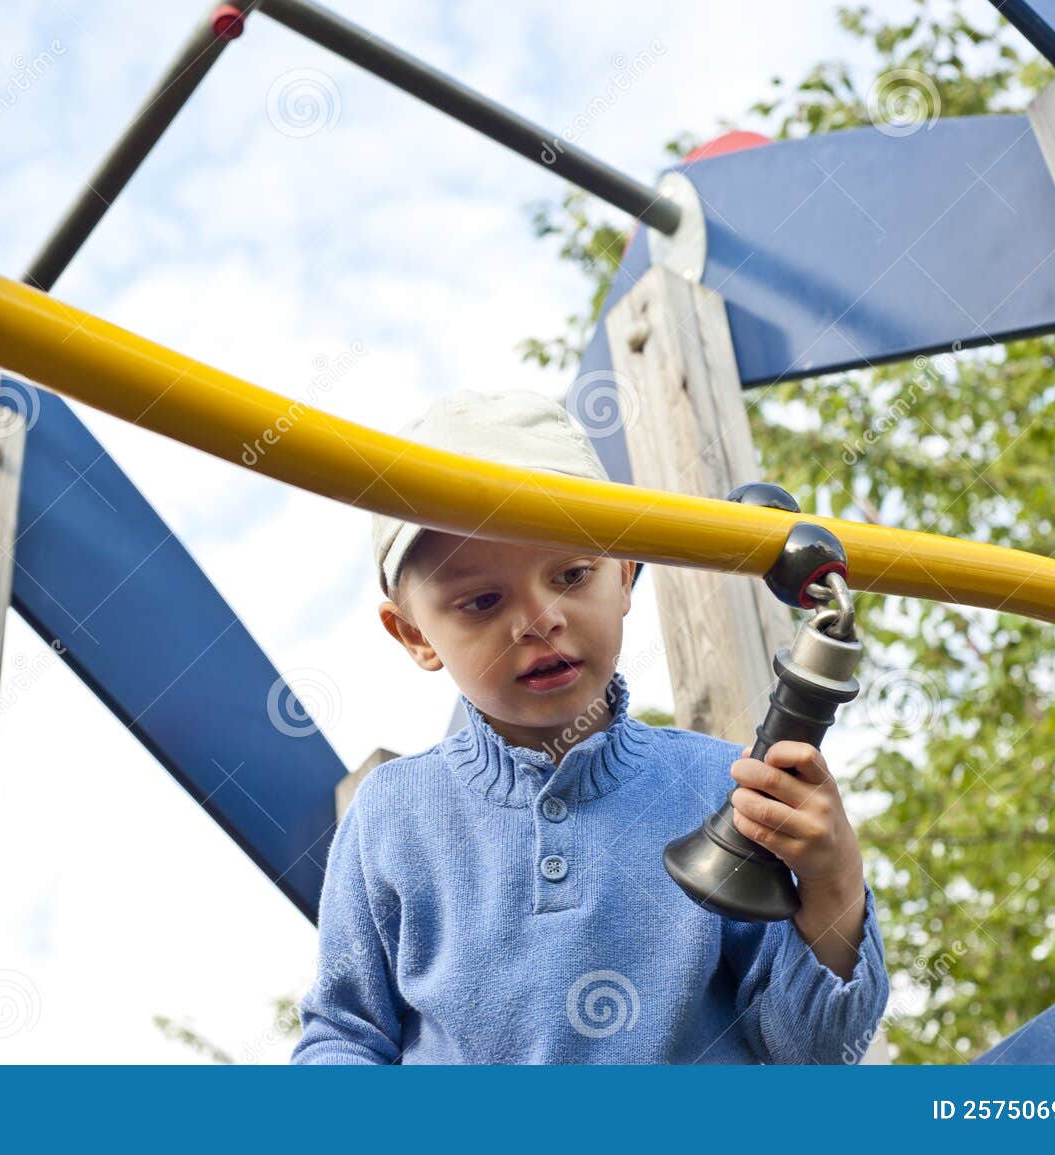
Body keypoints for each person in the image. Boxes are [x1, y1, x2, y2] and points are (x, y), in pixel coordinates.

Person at [289, 388, 888, 1064]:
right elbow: (343, 1035)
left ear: (626, 573)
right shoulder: (391, 814)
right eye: (483, 600)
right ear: (414, 635)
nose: (538, 618)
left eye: (572, 573)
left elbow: (814, 1053)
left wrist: (834, 884)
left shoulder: (727, 791)